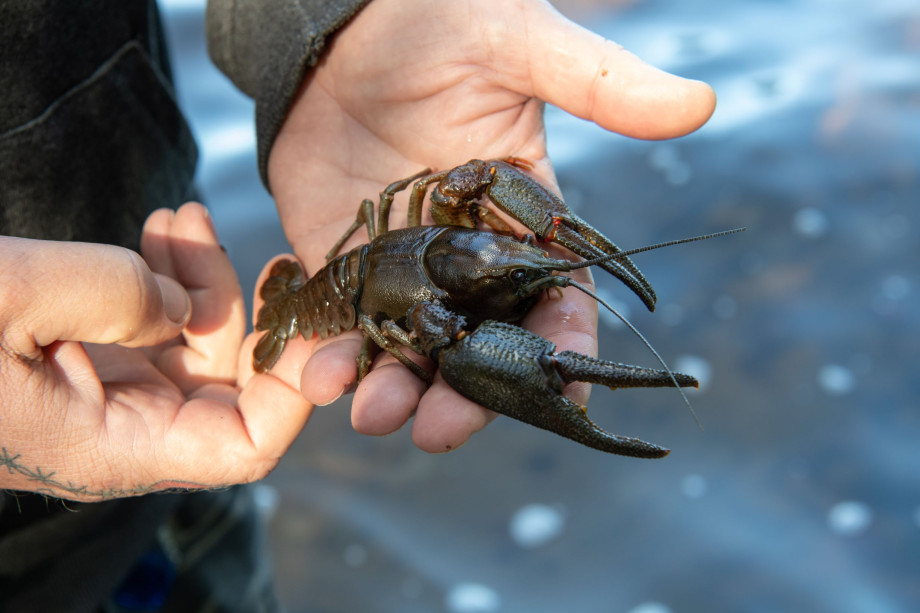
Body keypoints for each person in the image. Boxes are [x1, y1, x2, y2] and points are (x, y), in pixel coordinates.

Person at [0, 0, 714, 609]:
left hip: (152, 456)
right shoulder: (365, 304)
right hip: (46, 549)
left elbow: (472, 182)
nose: (533, 261)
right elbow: (429, 330)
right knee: (442, 339)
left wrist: (340, 16)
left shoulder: (451, 217)